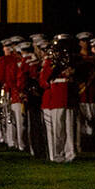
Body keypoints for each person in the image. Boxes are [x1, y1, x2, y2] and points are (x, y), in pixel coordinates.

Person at [39, 34, 79, 163]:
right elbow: (43, 81)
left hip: (69, 96)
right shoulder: (50, 61)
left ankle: (70, 153)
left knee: (69, 127)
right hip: (56, 96)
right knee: (59, 128)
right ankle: (58, 154)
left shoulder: (74, 60)